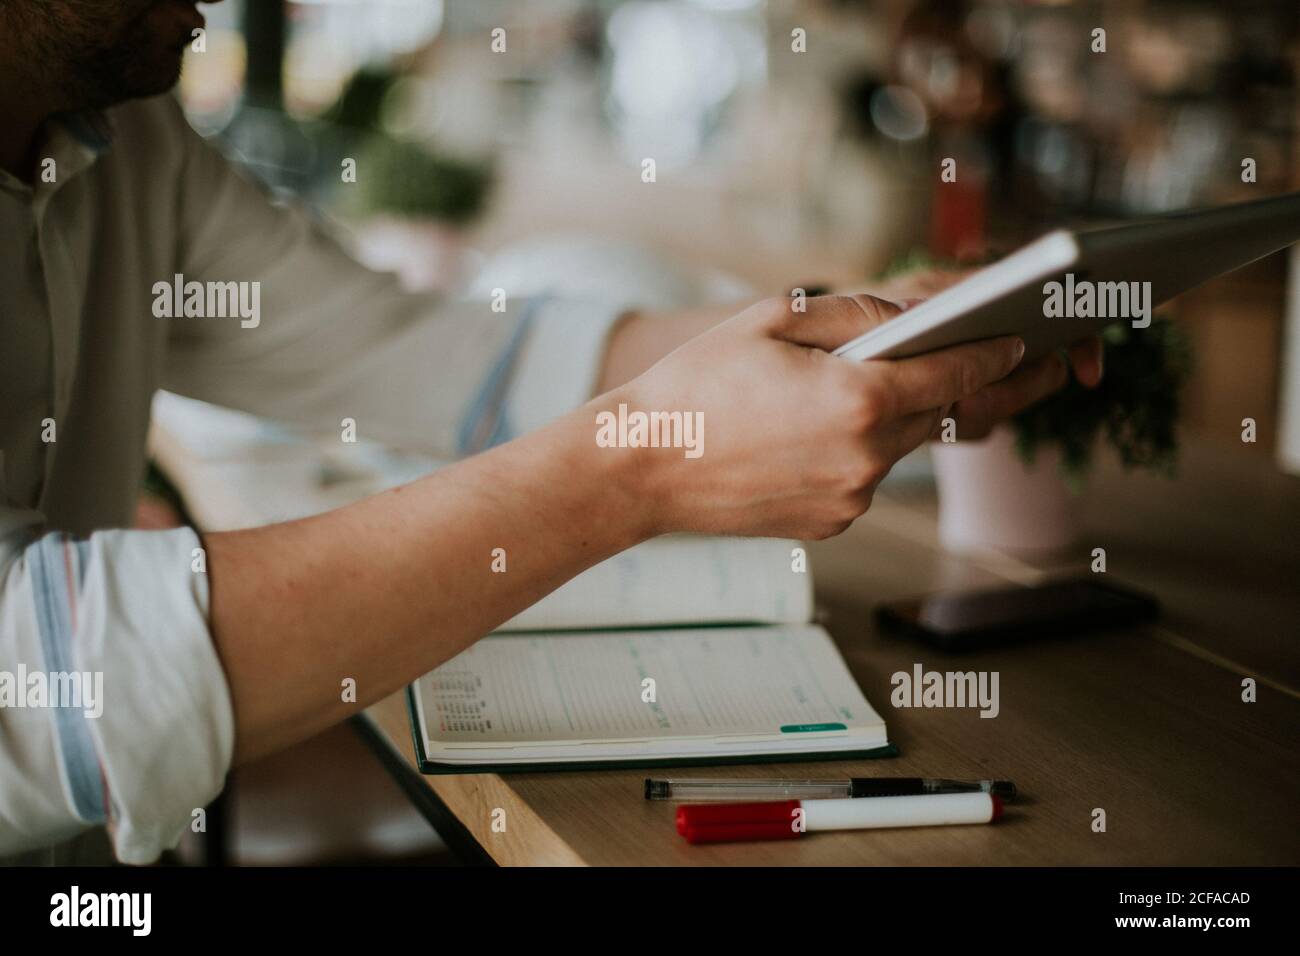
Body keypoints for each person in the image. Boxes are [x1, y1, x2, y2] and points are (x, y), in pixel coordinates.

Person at [0, 0, 1101, 864]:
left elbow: (439, 358)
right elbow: (45, 681)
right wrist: (638, 469)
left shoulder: (128, 138)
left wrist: (866, 324)